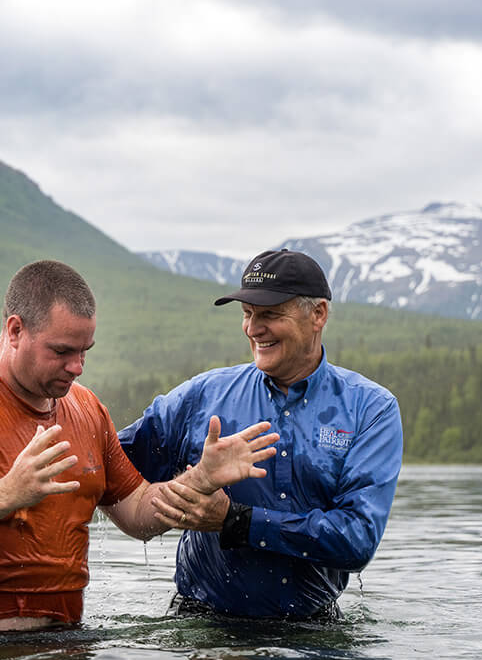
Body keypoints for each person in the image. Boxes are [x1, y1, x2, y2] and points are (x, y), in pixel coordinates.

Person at [0, 260, 281, 634]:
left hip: (65, 647)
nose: (78, 367)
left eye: (85, 351)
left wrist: (200, 479)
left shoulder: (87, 409)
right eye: (62, 351)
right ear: (15, 330)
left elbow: (138, 513)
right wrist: (9, 493)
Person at [119, 249, 403, 620]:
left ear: (318, 314)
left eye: (269, 314)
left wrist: (236, 521)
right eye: (247, 313)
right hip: (200, 626)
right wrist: (193, 482)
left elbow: (357, 540)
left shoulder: (370, 409)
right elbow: (109, 463)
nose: (253, 328)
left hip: (314, 635)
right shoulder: (202, 397)